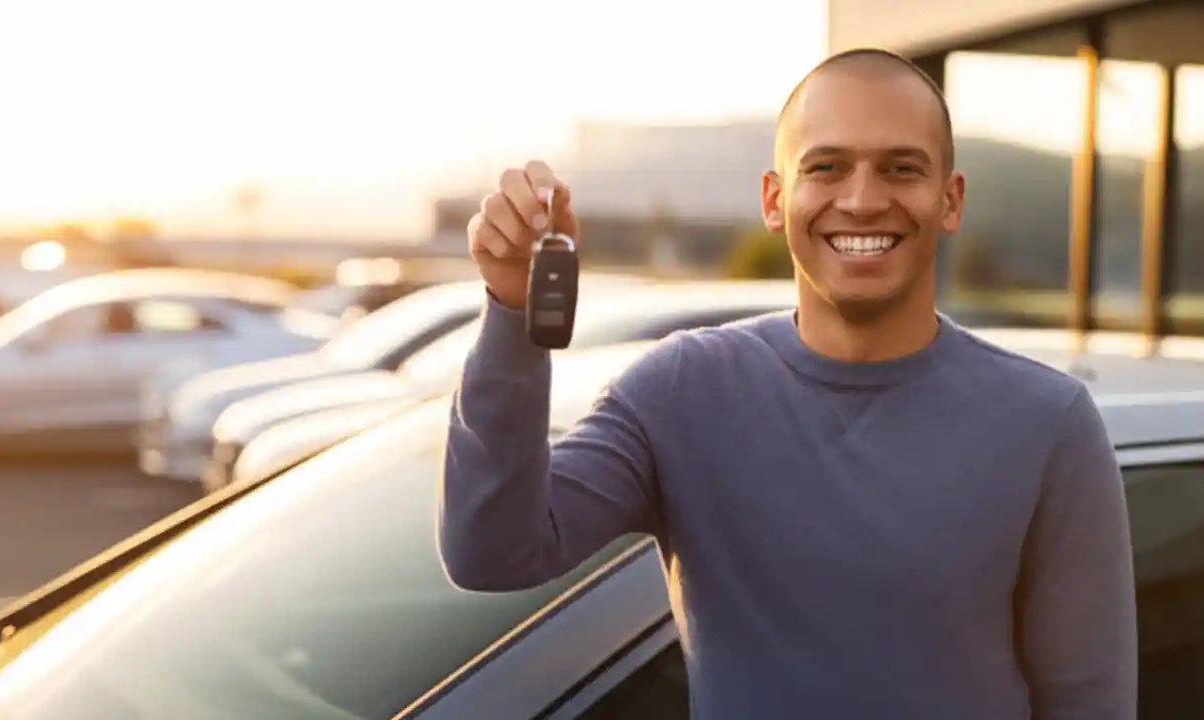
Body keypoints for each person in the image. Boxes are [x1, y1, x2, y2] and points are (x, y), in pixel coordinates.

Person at [438, 47, 1137, 718]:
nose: (863, 200)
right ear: (775, 199)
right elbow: (491, 551)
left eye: (901, 168)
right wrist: (510, 313)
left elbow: (1089, 706)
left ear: (950, 201)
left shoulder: (1050, 423)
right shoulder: (680, 392)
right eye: (826, 167)